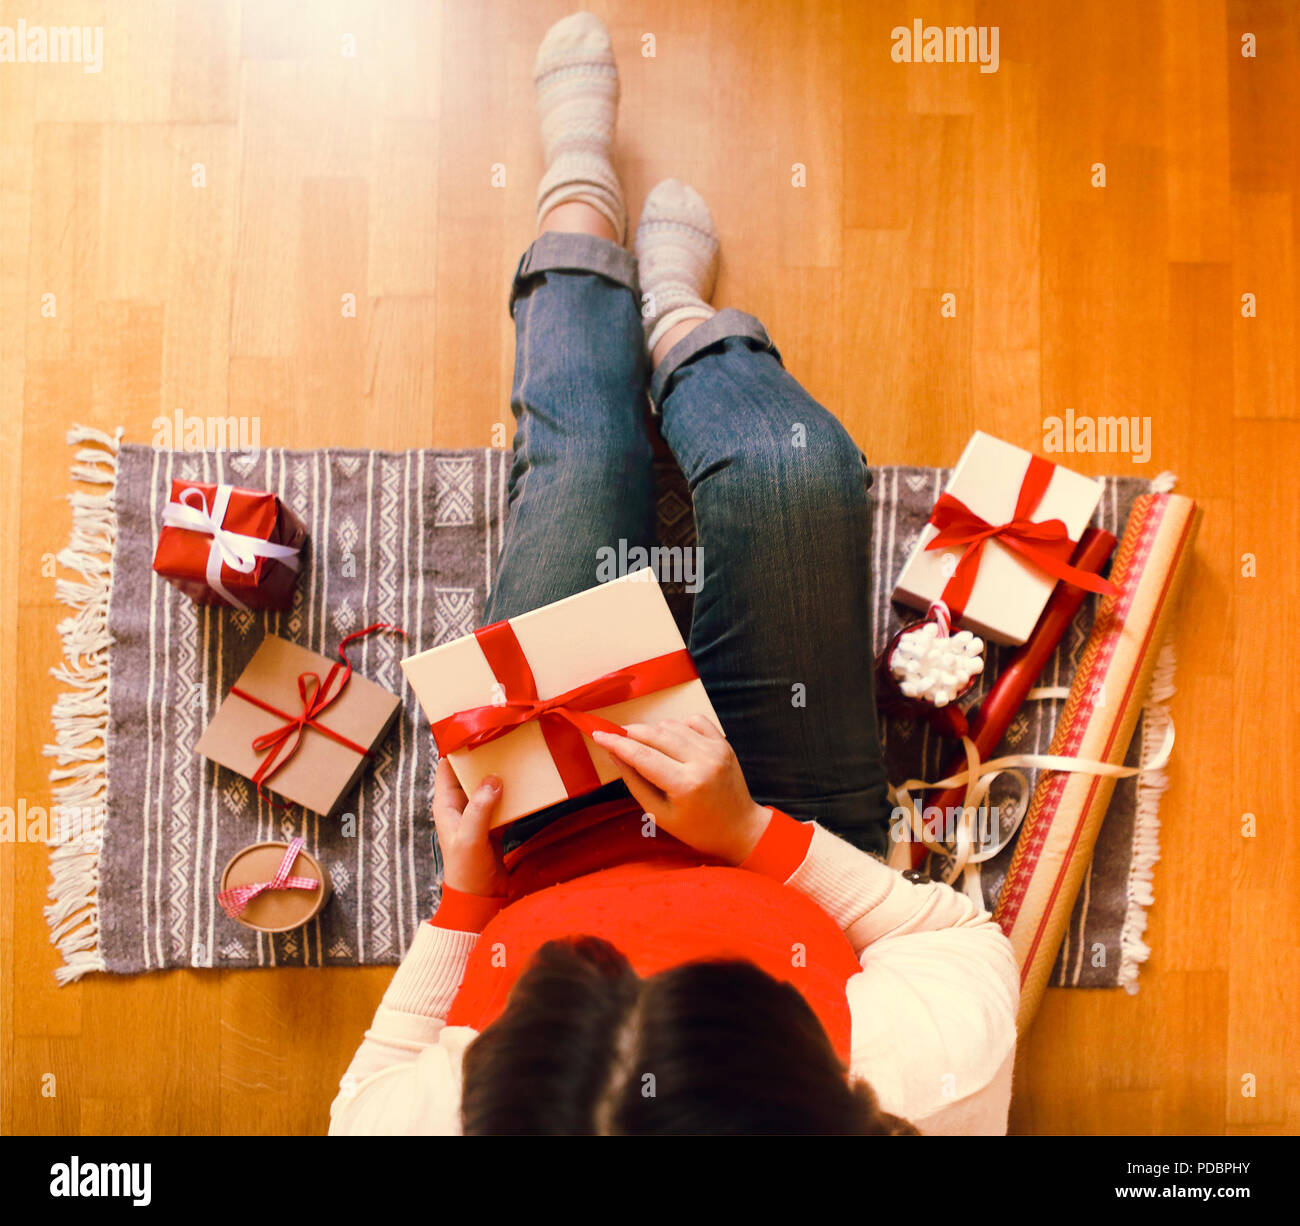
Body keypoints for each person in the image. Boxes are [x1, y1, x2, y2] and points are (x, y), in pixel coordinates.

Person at [329, 11, 1018, 1136]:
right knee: (791, 472)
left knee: (581, 461)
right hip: (789, 829)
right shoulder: (932, 1085)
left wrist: (467, 894)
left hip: (536, 858)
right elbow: (950, 936)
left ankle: (575, 204)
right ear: (826, 1080)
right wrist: (749, 833)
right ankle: (686, 331)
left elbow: (365, 1091)